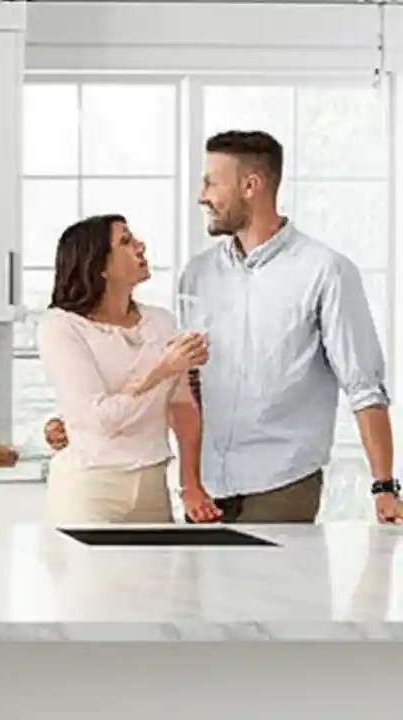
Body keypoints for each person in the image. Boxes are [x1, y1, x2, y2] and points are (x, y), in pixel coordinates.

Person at [46, 130, 401, 524]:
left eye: (212, 182)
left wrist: (383, 487)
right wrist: (82, 423)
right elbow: (185, 385)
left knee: (271, 587)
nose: (202, 196)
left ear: (251, 185)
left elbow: (364, 387)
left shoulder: (325, 271)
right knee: (195, 589)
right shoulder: (198, 275)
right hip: (208, 487)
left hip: (281, 481)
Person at [37, 213, 210, 523]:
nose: (141, 246)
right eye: (126, 242)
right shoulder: (61, 327)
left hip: (152, 488)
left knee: (157, 574)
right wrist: (162, 369)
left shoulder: (161, 322)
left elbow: (182, 406)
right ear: (99, 265)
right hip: (90, 491)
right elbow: (99, 419)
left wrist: (190, 484)